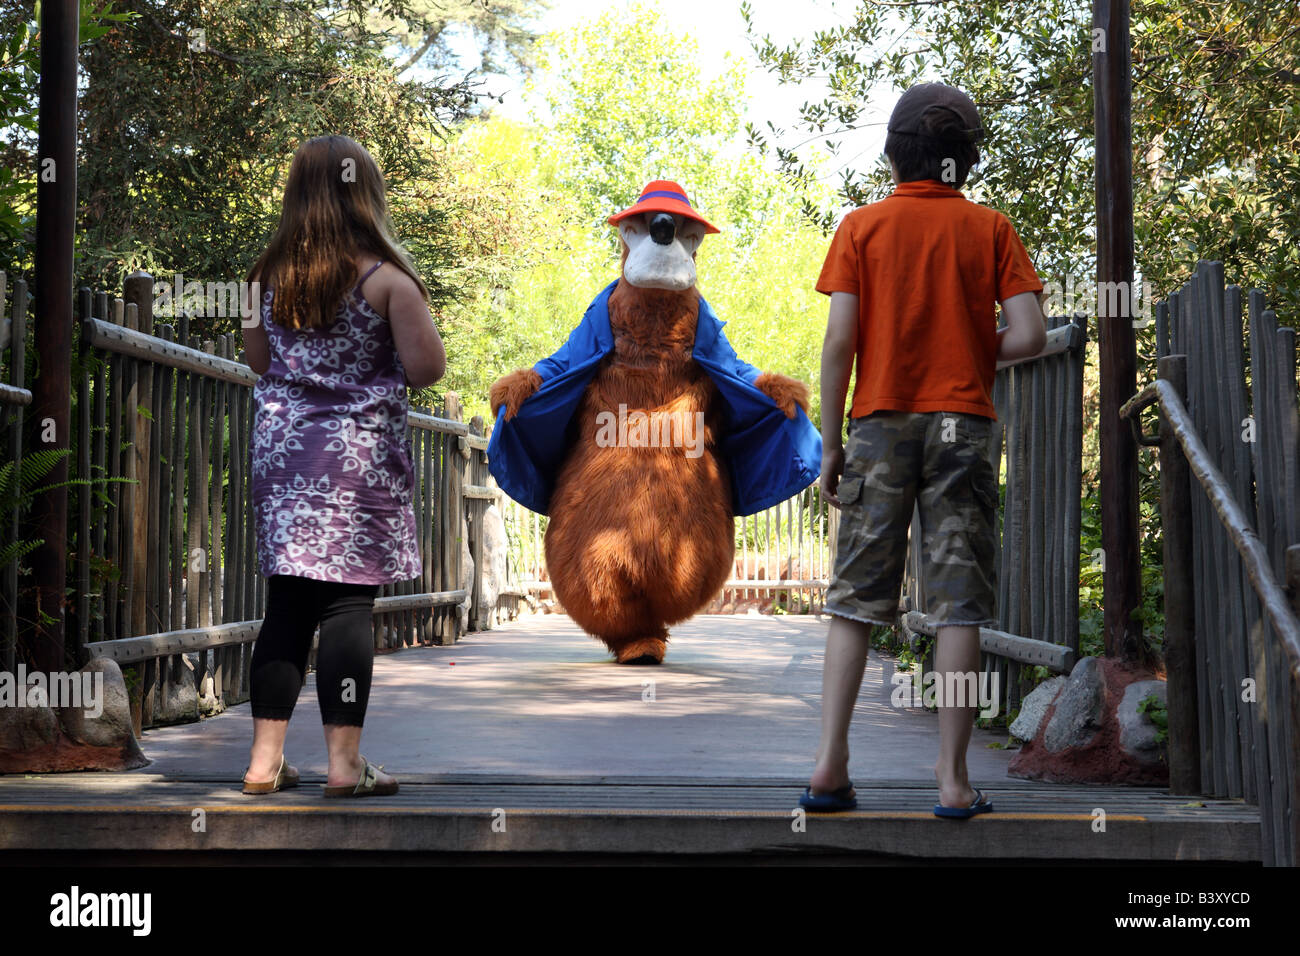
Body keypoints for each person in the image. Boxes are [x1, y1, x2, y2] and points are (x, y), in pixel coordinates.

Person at [803, 83, 1047, 817]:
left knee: (854, 602)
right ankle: (952, 780)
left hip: (878, 422)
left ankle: (827, 767)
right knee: (959, 607)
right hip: (962, 426)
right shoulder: (990, 229)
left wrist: (830, 443)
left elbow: (840, 340)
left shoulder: (861, 228)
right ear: (962, 159)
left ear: (893, 151)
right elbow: (1031, 334)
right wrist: (970, 353)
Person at [238, 135, 446, 797]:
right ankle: (343, 765)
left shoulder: (259, 281)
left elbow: (259, 363)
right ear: (365, 194)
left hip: (285, 455)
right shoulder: (387, 281)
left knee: (288, 604)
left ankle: (263, 763)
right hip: (357, 462)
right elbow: (426, 369)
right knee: (348, 608)